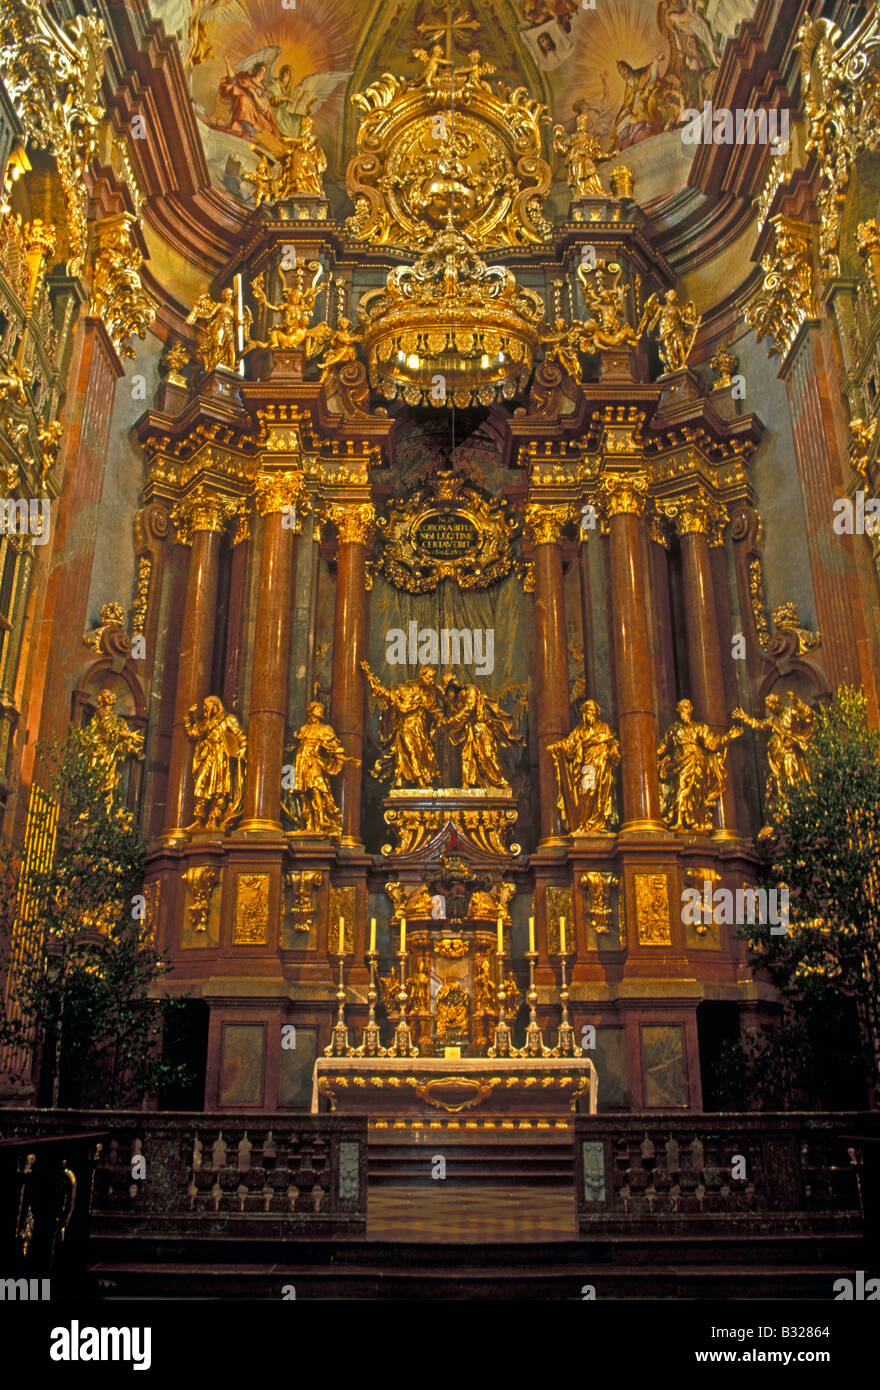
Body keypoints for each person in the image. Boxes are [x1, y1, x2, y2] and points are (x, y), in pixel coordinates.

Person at [361, 663, 444, 787]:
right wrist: (371, 680)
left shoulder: (430, 694)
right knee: (411, 752)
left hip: (420, 730)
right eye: (428, 677)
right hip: (406, 726)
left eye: (432, 677)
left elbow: (435, 711)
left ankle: (410, 781)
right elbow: (388, 695)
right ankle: (420, 781)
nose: (430, 680)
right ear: (421, 676)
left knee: (424, 755)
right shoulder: (405, 689)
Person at [284, 701, 358, 838]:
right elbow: (292, 747)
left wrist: (344, 758)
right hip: (301, 762)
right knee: (302, 793)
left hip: (315, 762)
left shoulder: (326, 729)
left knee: (317, 790)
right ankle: (309, 824)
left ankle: (322, 820)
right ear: (310, 711)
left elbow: (334, 746)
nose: (320, 710)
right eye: (317, 708)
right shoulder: (303, 729)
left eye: (321, 709)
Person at [549, 699, 620, 833]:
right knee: (587, 792)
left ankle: (599, 824)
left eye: (591, 711)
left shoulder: (604, 728)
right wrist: (558, 746)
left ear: (597, 713)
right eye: (586, 712)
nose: (589, 714)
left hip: (603, 766)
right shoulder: (579, 731)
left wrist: (614, 749)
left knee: (602, 794)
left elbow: (612, 742)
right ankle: (585, 823)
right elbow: (568, 743)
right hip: (588, 767)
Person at [184, 696, 247, 831]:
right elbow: (193, 732)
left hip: (221, 758)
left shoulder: (228, 719)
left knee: (220, 788)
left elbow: (240, 735)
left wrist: (243, 748)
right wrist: (189, 717)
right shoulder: (206, 723)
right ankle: (198, 820)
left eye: (207, 705)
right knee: (201, 785)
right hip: (208, 757)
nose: (205, 709)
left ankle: (214, 819)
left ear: (215, 705)